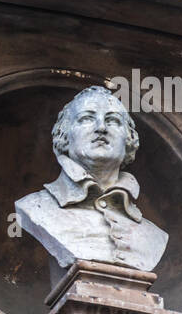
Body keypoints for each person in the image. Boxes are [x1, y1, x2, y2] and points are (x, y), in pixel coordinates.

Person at [14, 85, 167, 271]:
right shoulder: (33, 208)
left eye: (113, 121)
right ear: (65, 136)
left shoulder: (154, 236)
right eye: (86, 119)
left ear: (129, 140)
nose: (101, 127)